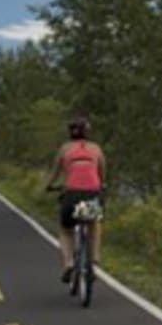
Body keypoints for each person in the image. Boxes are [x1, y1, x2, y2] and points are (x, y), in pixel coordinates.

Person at [45, 116, 105, 282]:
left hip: (71, 194)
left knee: (66, 230)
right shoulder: (96, 149)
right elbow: (101, 172)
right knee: (94, 223)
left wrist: (49, 186)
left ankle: (69, 263)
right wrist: (102, 185)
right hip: (92, 193)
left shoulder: (65, 149)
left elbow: (55, 172)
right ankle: (95, 259)